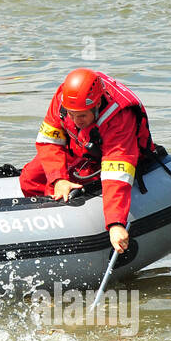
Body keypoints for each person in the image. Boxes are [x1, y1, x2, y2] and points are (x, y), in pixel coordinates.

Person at [18, 68, 158, 254]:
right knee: (30, 177)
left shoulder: (119, 119)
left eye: (82, 115)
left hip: (110, 151)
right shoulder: (63, 98)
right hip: (81, 144)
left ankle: (60, 241)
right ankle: (39, 228)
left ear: (97, 104)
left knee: (54, 191)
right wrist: (59, 179)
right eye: (72, 114)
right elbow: (48, 142)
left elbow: (116, 174)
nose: (76, 120)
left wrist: (116, 224)